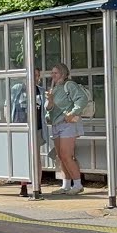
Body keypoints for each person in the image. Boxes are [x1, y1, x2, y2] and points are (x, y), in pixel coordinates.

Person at [45, 63, 89, 194]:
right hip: (56, 124)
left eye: (56, 73)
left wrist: (73, 113)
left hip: (67, 124)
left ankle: (78, 184)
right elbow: (49, 109)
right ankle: (66, 185)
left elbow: (82, 99)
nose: (53, 75)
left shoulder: (69, 85)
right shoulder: (54, 89)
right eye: (52, 72)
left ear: (63, 74)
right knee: (60, 156)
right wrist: (50, 101)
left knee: (66, 155)